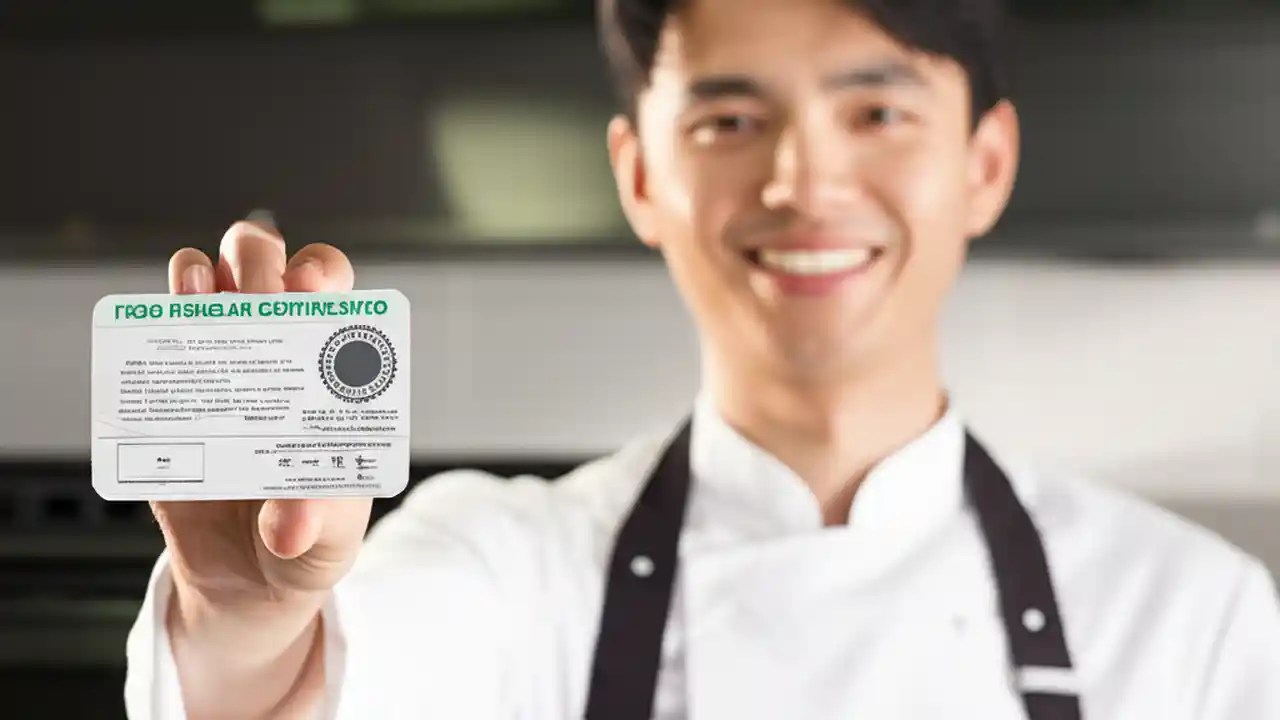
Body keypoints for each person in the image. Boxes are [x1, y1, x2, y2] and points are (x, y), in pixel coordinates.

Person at [124, 0, 1280, 717]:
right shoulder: (507, 569)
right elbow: (320, 686)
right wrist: (240, 621)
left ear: (983, 163)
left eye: (873, 114)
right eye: (729, 121)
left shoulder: (1186, 614)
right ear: (637, 175)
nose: (802, 185)